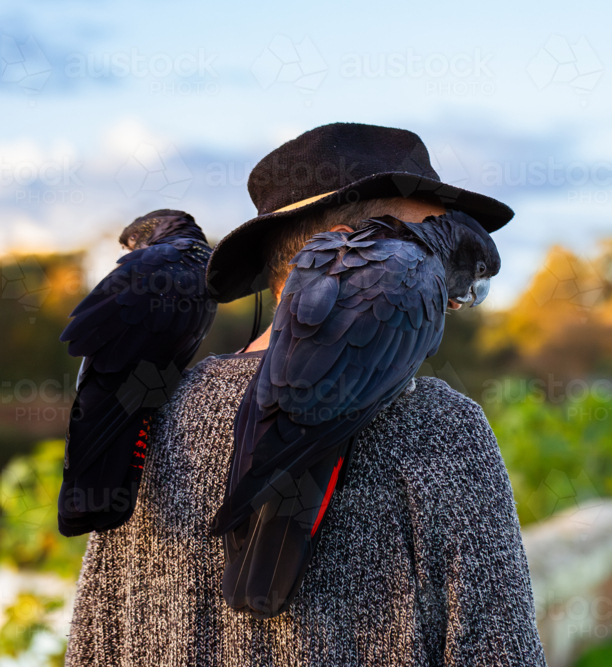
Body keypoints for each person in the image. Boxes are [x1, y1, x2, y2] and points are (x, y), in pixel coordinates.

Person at [65, 123, 547, 666]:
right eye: (418, 244)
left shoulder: (157, 411)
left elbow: (91, 644)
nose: (441, 275)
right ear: (343, 249)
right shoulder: (441, 427)